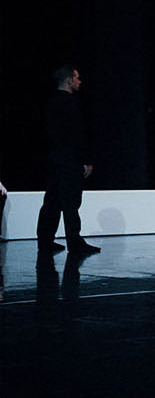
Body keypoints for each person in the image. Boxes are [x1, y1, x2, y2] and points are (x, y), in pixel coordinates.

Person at [36, 65, 99, 255]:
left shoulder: (50, 103)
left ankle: (45, 241)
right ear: (69, 80)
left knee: (52, 201)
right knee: (71, 202)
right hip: (69, 157)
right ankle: (75, 242)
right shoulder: (71, 104)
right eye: (77, 78)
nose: (80, 82)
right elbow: (77, 134)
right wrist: (86, 160)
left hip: (54, 156)